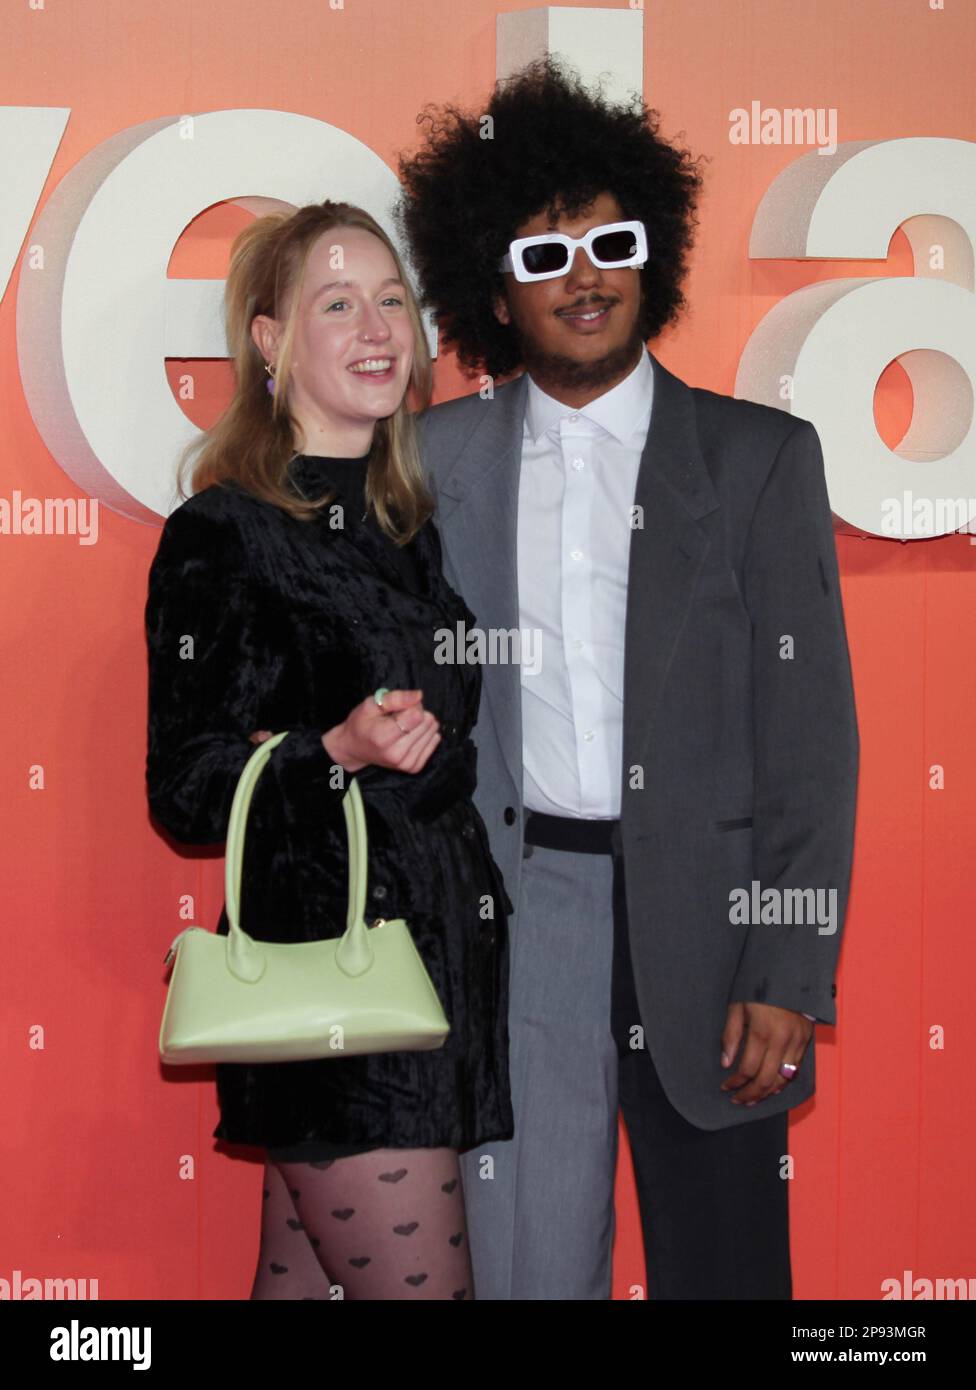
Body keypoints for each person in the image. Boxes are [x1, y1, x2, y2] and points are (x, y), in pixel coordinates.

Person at [395, 56, 859, 1299]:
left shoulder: (759, 459)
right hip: (520, 919)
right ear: (494, 291)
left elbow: (811, 742)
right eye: (544, 257)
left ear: (652, 255)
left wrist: (786, 972)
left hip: (714, 934)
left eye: (611, 242)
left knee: (727, 1273)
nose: (585, 276)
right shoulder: (437, 464)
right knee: (529, 1271)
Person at [144, 200, 514, 1301]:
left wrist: (408, 751)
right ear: (270, 339)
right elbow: (186, 785)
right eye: (337, 303)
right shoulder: (225, 532)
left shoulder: (408, 526)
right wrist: (336, 749)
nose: (375, 327)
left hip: (432, 977)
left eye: (391, 301)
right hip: (333, 996)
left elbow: (444, 757)